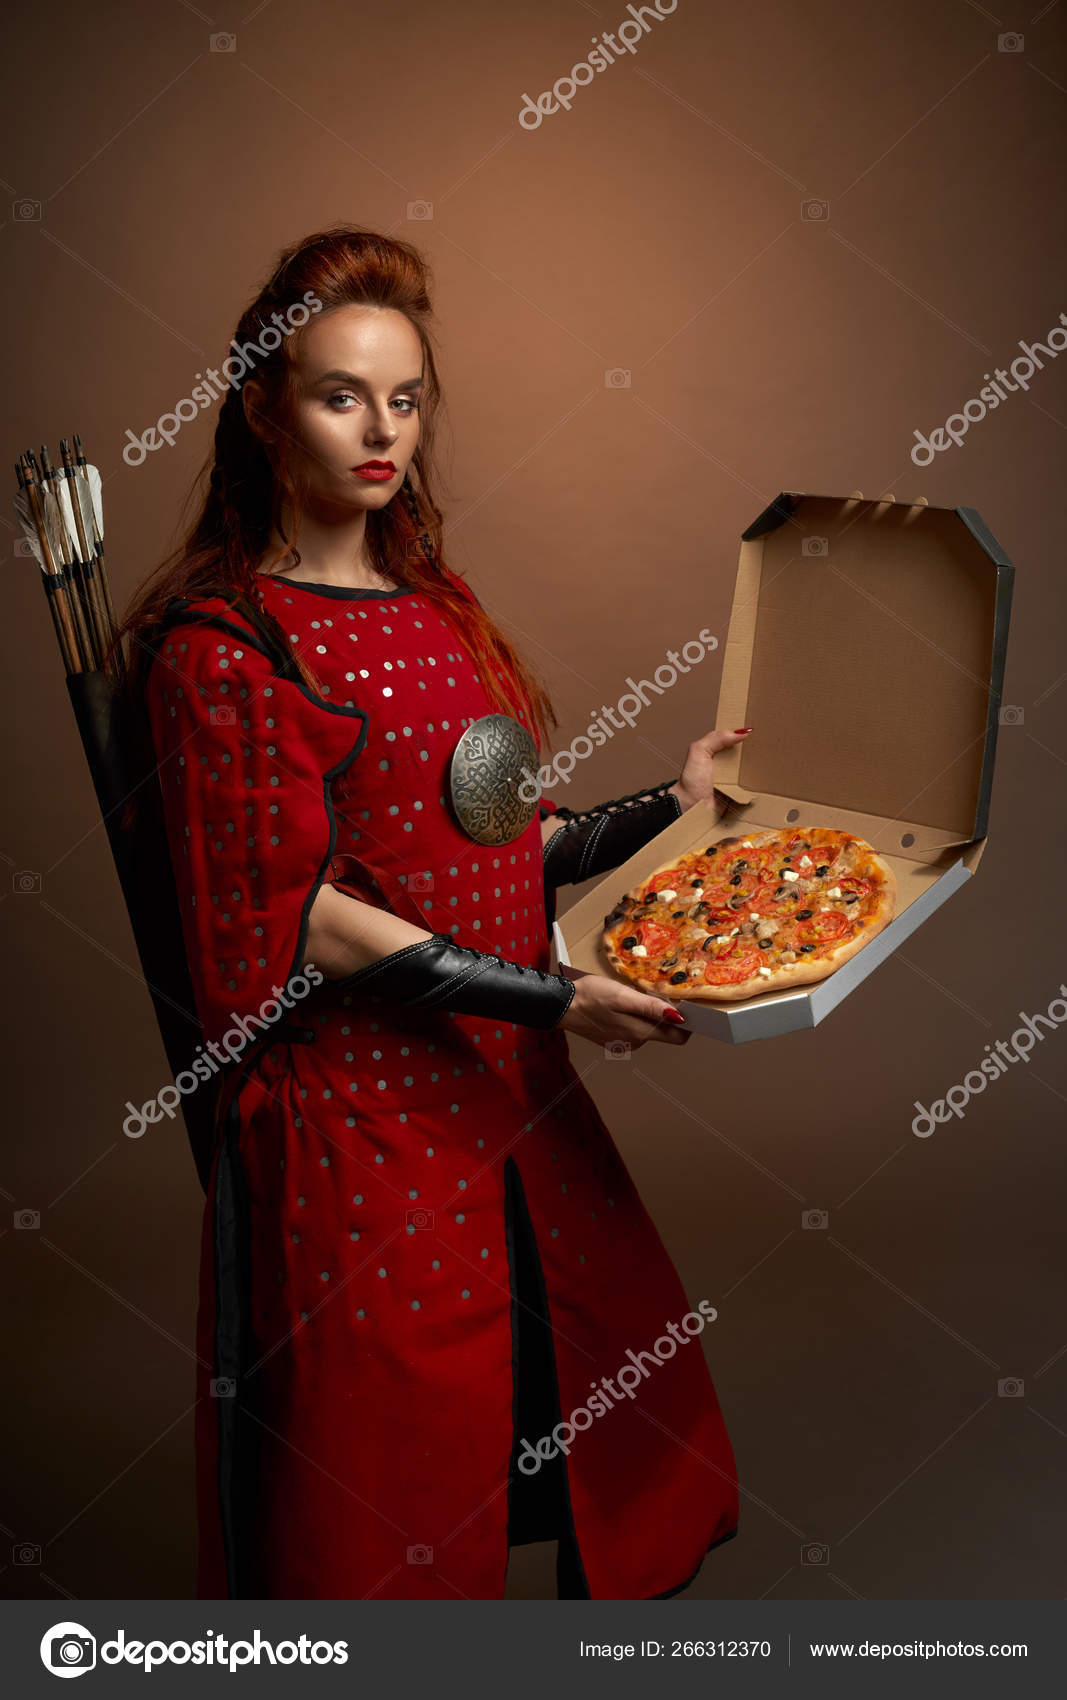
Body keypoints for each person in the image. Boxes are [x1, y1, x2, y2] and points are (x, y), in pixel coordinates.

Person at [117, 225, 743, 1601]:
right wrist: (553, 997)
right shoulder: (222, 649)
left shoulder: (436, 609)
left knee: (609, 1393)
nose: (382, 428)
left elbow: (512, 853)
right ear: (266, 411)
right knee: (382, 1496)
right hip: (354, 1130)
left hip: (506, 1095)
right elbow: (311, 923)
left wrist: (674, 804)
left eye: (406, 398)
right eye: (343, 395)